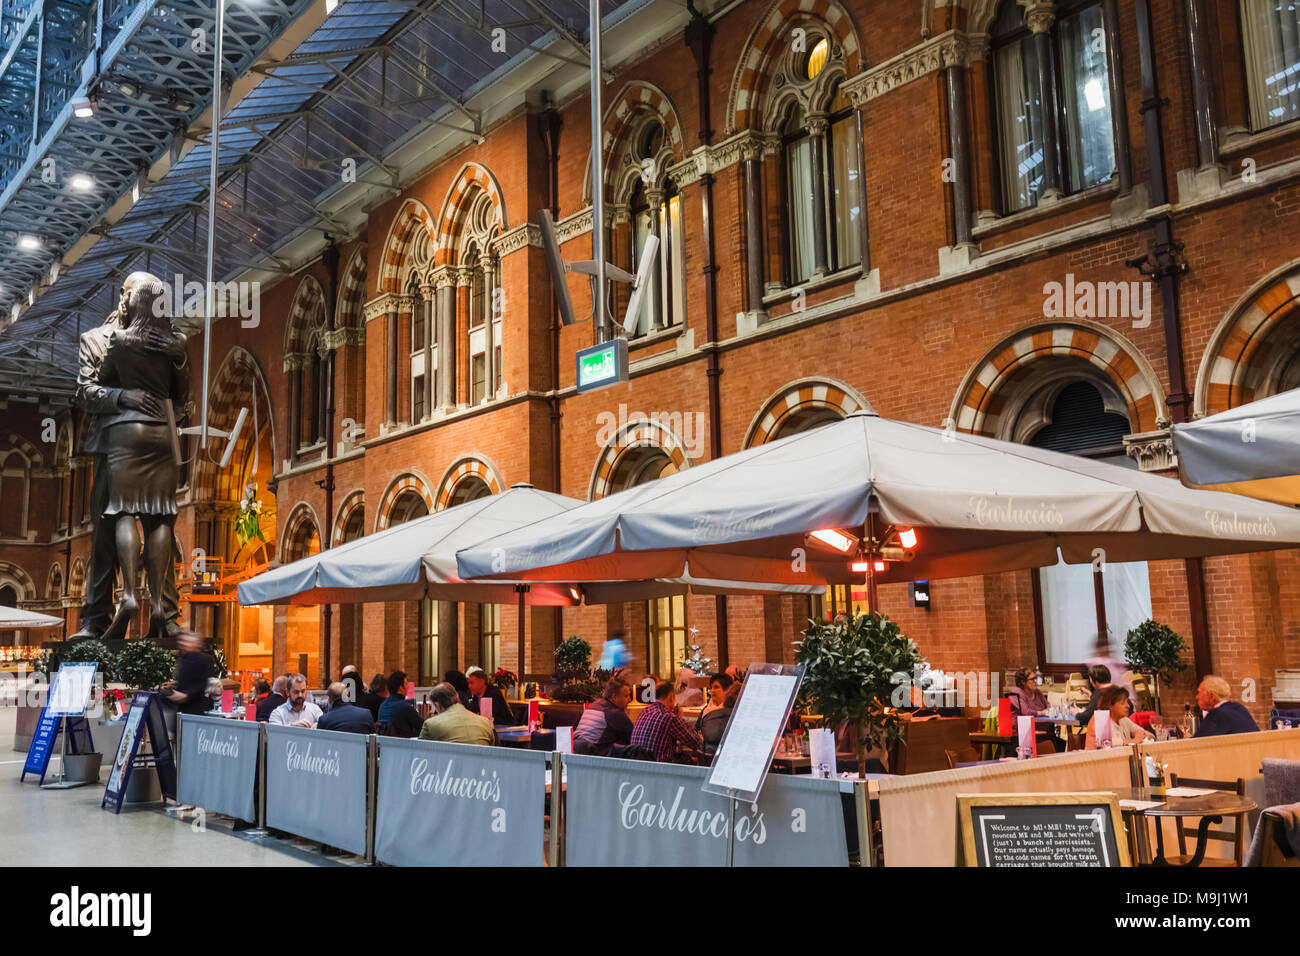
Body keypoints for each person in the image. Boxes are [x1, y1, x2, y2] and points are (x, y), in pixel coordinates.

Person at [69, 273, 182, 642]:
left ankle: (165, 615)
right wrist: (123, 397)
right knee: (105, 533)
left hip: (139, 441)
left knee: (153, 523)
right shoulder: (95, 339)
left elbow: (181, 397)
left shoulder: (166, 342)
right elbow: (85, 392)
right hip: (111, 447)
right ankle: (96, 619)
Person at [629, 681, 703, 762]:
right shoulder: (669, 717)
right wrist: (680, 719)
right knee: (693, 760)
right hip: (660, 769)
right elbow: (695, 743)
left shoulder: (643, 712)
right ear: (671, 697)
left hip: (638, 767)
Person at [418, 683, 495, 745]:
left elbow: (420, 752)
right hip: (481, 763)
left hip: (451, 763)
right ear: (457, 696)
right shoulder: (485, 722)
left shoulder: (431, 724)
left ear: (436, 705)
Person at [574, 677, 635, 755]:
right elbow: (632, 737)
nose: (629, 699)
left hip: (577, 750)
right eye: (626, 696)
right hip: (596, 756)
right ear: (614, 697)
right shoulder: (614, 713)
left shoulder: (594, 705)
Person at [1085, 685, 1151, 749]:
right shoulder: (1101, 717)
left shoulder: (1123, 720)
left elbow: (1146, 734)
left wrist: (1140, 734)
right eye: (1122, 703)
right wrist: (1133, 740)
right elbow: (1104, 743)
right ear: (1110, 705)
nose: (1128, 706)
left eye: (1127, 702)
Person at [165, 630, 214, 716]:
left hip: (196, 709)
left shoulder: (204, 659)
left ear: (196, 643)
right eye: (181, 641)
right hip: (182, 708)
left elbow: (203, 684)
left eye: (186, 641)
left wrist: (186, 695)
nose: (182, 643)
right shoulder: (183, 658)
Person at [1193, 676, 1260, 737]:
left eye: (1199, 692)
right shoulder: (1240, 708)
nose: (1197, 697)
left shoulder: (1217, 713)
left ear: (1212, 696)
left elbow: (1198, 743)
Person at [697, 681, 742, 755]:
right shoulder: (738, 722)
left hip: (708, 763)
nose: (712, 691)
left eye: (716, 687)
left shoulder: (708, 717)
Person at [377, 670, 422, 737]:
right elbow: (423, 727)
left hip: (385, 745)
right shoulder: (405, 707)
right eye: (406, 684)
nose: (408, 687)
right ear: (401, 688)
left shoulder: (382, 705)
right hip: (403, 745)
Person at [1073, 664, 1112, 729]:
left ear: (1094, 680)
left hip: (1106, 734)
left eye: (1090, 678)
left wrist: (1075, 713)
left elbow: (1086, 718)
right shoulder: (1118, 690)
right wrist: (1089, 693)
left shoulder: (1099, 694)